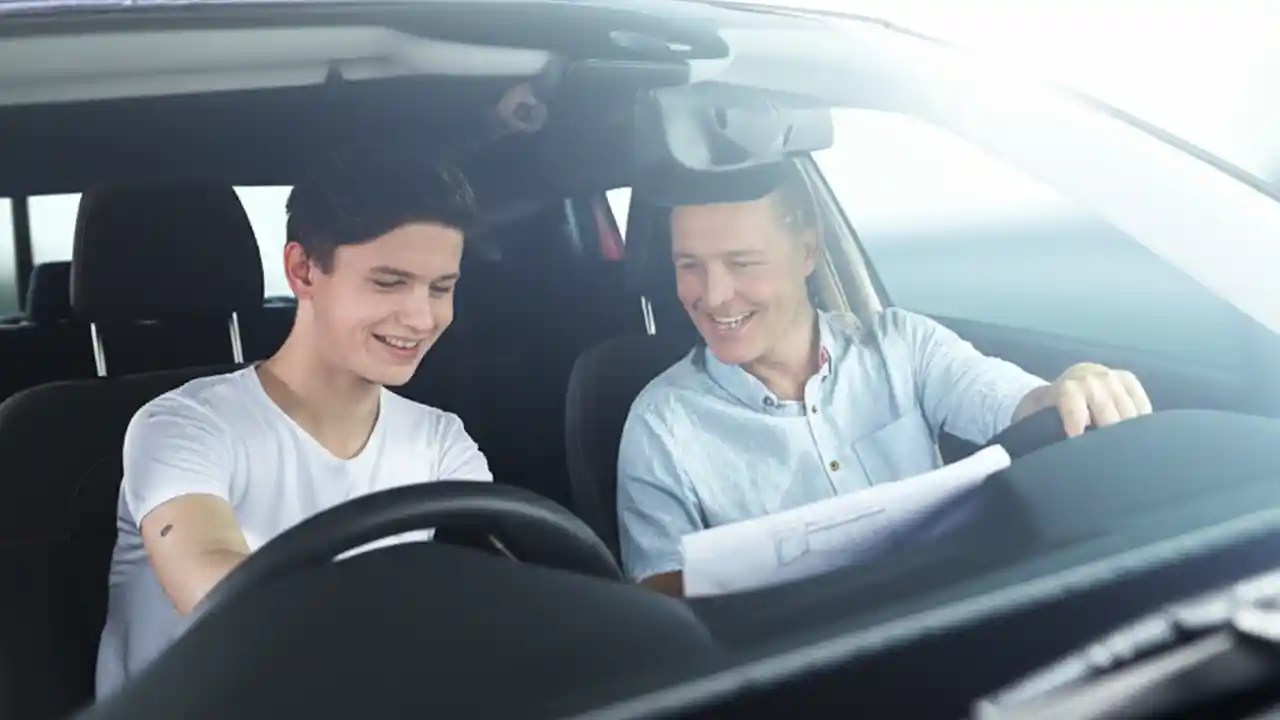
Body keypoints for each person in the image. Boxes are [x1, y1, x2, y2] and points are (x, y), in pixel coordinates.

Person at [616, 162, 1154, 598]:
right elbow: (662, 610)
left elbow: (1021, 405)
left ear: (807, 251)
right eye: (690, 265)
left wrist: (1075, 386)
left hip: (946, 622)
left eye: (742, 263)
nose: (712, 296)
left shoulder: (903, 346)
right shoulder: (661, 425)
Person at [95, 154, 491, 695]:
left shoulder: (443, 443)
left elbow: (492, 601)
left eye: (440, 288)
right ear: (303, 270)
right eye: (388, 282)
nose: (422, 318)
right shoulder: (183, 426)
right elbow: (222, 598)